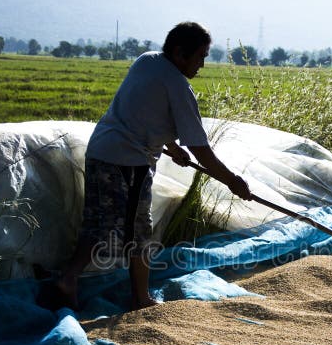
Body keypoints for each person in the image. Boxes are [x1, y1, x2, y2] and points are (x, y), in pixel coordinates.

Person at [47, 21, 251, 311]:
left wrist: (171, 147)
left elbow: (143, 111)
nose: (202, 65)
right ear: (180, 53)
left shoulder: (147, 60)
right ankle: (140, 299)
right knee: (139, 231)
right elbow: (202, 152)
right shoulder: (180, 88)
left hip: (101, 150)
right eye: (200, 56)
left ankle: (68, 279)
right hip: (128, 163)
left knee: (99, 222)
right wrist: (233, 181)